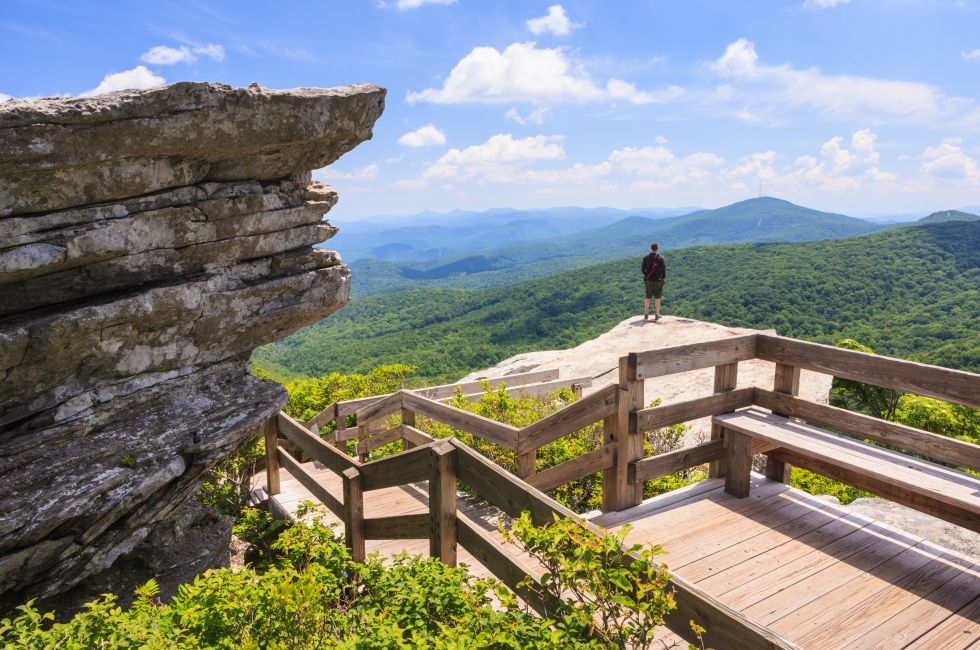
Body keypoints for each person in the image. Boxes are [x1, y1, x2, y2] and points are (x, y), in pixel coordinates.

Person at [641, 242, 666, 321]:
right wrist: (663, 278)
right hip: (658, 280)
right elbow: (663, 270)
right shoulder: (661, 258)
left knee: (647, 297)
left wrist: (647, 276)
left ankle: (646, 314)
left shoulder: (646, 257)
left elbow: (642, 269)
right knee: (657, 298)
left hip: (649, 280)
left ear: (651, 248)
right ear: (657, 248)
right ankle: (657, 314)